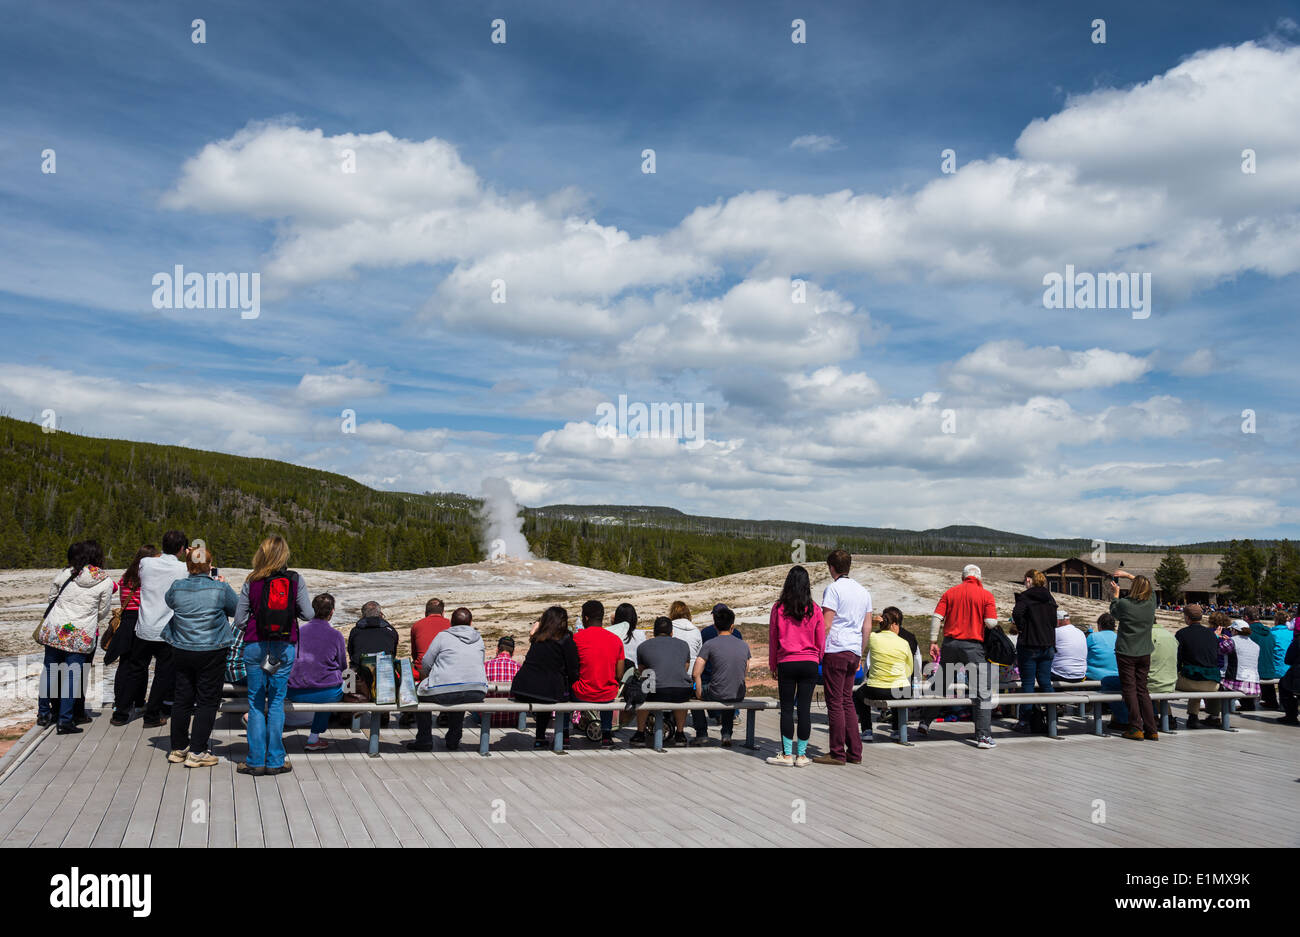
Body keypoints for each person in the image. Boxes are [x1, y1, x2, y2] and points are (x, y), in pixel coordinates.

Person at [234, 535, 313, 776]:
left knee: (256, 704)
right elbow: (309, 614)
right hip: (283, 645)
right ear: (284, 555)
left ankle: (256, 760)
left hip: (255, 644)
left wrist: (255, 620)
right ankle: (276, 759)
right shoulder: (294, 580)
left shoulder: (252, 580)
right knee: (277, 702)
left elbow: (238, 621)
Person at [162, 543, 238, 768]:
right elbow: (235, 611)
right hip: (211, 649)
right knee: (207, 700)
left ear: (188, 565)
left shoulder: (177, 586)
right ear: (209, 566)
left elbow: (169, 602)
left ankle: (177, 748)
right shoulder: (220, 589)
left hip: (182, 647)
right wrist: (222, 586)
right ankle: (197, 751)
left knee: (182, 696)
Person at [36, 540, 113, 734]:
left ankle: (44, 714)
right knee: (72, 677)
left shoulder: (65, 574)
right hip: (80, 634)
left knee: (50, 672)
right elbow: (102, 611)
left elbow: (52, 598)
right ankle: (65, 720)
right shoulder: (105, 581)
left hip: (55, 630)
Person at [925, 563, 998, 750]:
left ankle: (924, 723)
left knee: (940, 686)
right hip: (973, 647)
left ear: (963, 576)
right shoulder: (986, 595)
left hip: (950, 644)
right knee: (982, 692)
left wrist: (933, 640)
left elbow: (937, 617)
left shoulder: (950, 593)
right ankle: (983, 736)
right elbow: (991, 623)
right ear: (979, 577)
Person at [122, 530, 191, 728]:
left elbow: (153, 559)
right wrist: (190, 555)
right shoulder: (182, 569)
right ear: (181, 549)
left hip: (144, 625)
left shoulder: (146, 563)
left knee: (136, 670)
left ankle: (121, 711)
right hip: (166, 629)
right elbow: (197, 572)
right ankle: (152, 714)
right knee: (163, 674)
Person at [814, 549, 871, 766]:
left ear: (831, 567)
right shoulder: (863, 591)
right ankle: (855, 752)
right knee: (847, 700)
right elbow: (867, 626)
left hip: (835, 649)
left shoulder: (833, 589)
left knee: (835, 702)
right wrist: (861, 652)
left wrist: (819, 649)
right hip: (853, 650)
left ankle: (837, 752)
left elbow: (826, 624)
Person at [766, 565, 825, 766]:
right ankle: (801, 755)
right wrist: (818, 659)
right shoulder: (815, 609)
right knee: (805, 710)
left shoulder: (778, 608)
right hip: (809, 662)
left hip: (787, 662)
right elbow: (821, 640)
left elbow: (773, 638)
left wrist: (773, 663)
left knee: (787, 709)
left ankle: (786, 755)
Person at [407, 607, 488, 752]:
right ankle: (453, 738)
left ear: (451, 622)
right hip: (477, 690)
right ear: (470, 622)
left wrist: (431, 675)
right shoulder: (479, 638)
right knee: (460, 693)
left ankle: (424, 739)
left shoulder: (443, 636)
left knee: (419, 695)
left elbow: (426, 662)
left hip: (448, 690)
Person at [510, 606, 580, 748]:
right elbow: (573, 668)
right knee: (551, 693)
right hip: (547, 692)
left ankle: (540, 737)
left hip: (521, 688)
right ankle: (561, 735)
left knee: (544, 691)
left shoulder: (537, 638)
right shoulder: (565, 639)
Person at [286, 593, 347, 752]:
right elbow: (342, 665)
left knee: (324, 688)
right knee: (334, 689)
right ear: (332, 612)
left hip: (295, 690)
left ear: (312, 610)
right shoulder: (336, 635)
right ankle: (314, 737)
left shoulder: (299, 632)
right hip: (326, 693)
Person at [107, 545, 158, 723]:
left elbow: (123, 598)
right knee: (140, 665)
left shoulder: (125, 576)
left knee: (125, 663)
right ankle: (137, 702)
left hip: (125, 621)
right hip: (141, 619)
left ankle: (118, 701)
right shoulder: (146, 577)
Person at [690, 605, 751, 746]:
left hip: (717, 691)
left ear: (715, 626)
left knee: (693, 698)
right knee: (728, 694)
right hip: (738, 692)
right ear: (732, 626)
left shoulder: (710, 644)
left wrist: (698, 690)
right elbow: (746, 668)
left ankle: (701, 734)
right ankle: (726, 734)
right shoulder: (743, 645)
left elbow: (695, 673)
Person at [1109, 572, 1158, 741]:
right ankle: (1152, 729)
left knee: (1130, 689)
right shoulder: (1151, 602)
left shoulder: (1125, 603)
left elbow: (1113, 612)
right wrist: (1129, 575)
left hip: (1126, 651)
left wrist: (1115, 595)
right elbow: (1150, 588)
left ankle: (1136, 727)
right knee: (1142, 690)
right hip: (1144, 651)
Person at [853, 607, 914, 742]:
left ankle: (867, 729)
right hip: (899, 689)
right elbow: (909, 668)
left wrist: (875, 622)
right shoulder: (904, 643)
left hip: (876, 688)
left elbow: (863, 629)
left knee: (858, 694)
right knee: (902, 692)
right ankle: (898, 730)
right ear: (893, 625)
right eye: (898, 624)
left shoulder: (874, 638)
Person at [632, 617, 694, 747]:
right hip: (681, 690)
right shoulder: (683, 645)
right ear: (671, 633)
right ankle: (680, 733)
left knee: (644, 690)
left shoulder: (643, 647)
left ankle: (640, 733)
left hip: (657, 690)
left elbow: (644, 672)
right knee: (681, 690)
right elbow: (685, 667)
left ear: (654, 632)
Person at [570, 600, 624, 747]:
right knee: (607, 690)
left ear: (586, 618)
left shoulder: (576, 639)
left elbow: (571, 668)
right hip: (607, 694)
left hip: (582, 693)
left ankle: (564, 735)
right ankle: (606, 734)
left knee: (566, 692)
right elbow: (619, 674)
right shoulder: (616, 640)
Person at [1010, 569, 1057, 731]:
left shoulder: (1026, 596)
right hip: (1048, 645)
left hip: (1029, 644)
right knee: (1045, 682)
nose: (1024, 583)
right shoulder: (1050, 598)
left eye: (1024, 580)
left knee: (1028, 683)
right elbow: (1053, 620)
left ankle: (1024, 720)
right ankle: (1052, 717)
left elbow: (1017, 612)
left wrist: (1022, 627)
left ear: (1029, 580)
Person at [1176, 605, 1223, 729]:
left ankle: (1191, 716)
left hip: (1193, 681)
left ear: (1187, 617)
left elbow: (1177, 660)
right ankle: (1214, 716)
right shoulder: (1212, 635)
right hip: (1213, 682)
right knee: (1201, 676)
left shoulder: (1182, 634)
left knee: (1192, 677)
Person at [1088, 613, 1127, 730]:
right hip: (1117, 675)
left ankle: (1081, 709)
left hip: (1095, 676)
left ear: (1099, 625)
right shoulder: (1119, 637)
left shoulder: (1093, 637)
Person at [1148, 614, 1179, 728]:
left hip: (1152, 683)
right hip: (1171, 682)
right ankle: (1169, 717)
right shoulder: (1170, 635)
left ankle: (1153, 717)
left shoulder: (1146, 635)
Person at [347, 601, 400, 667]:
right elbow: (393, 652)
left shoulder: (355, 631)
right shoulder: (390, 630)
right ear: (380, 613)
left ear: (363, 615)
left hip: (360, 670)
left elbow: (351, 652)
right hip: (385, 670)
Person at [484, 636, 522, 727]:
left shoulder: (485, 666)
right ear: (513, 652)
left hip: (488, 718)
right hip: (513, 719)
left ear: (497, 649)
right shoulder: (519, 668)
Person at [1246, 608, 1278, 710]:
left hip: (1254, 672)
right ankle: (1271, 701)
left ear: (1246, 617)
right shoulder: (1269, 633)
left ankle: (1247, 704)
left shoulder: (1248, 633)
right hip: (1270, 670)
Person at [410, 598, 451, 681]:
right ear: (443, 613)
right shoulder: (450, 624)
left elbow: (414, 654)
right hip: (447, 668)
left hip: (423, 672)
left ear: (425, 613)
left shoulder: (417, 625)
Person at [1220, 620, 1260, 701]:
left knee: (1215, 681)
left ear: (1235, 630)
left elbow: (1218, 650)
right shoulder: (1255, 645)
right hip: (1253, 683)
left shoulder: (1232, 641)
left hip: (1236, 682)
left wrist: (1215, 636)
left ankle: (1217, 711)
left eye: (1231, 630)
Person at [1050, 609, 1087, 683]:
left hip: (1061, 675)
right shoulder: (1080, 632)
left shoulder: (1056, 632)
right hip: (1081, 674)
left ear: (1058, 621)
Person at [668, 601, 702, 672]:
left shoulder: (669, 628)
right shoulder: (695, 630)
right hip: (692, 671)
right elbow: (699, 653)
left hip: (673, 671)